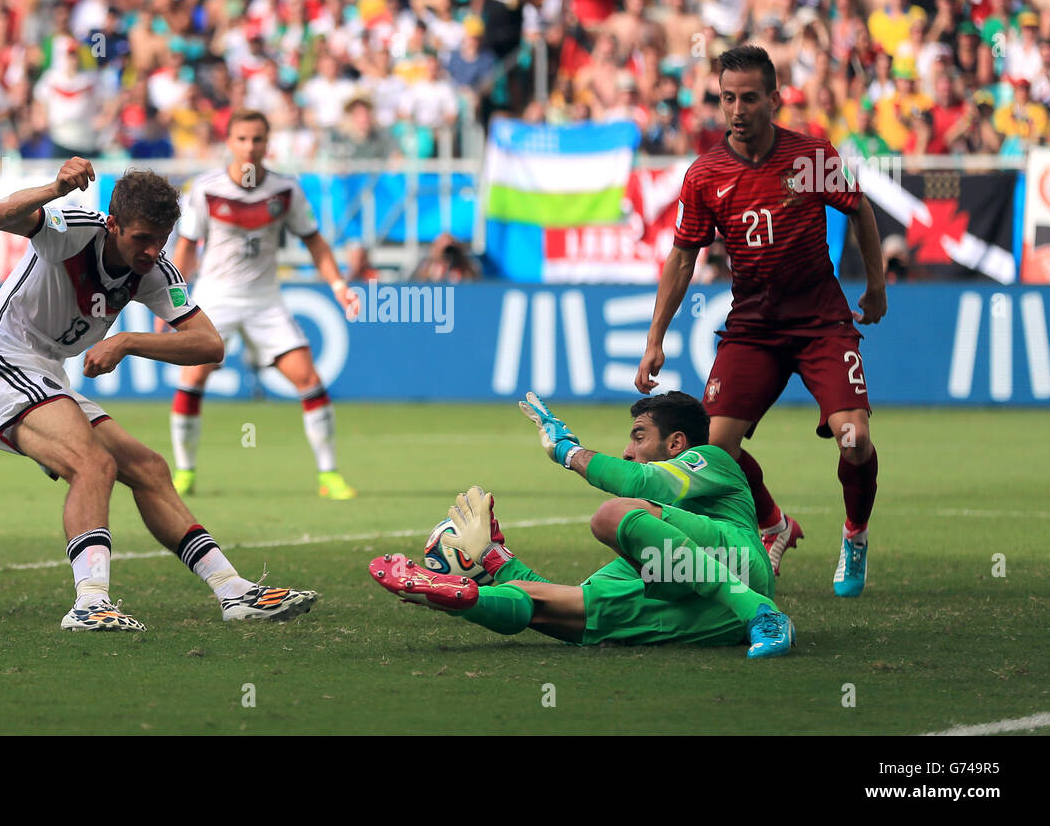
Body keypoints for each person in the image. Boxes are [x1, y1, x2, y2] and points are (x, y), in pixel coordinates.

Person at [0, 159, 318, 631]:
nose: (152, 251)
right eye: (141, 238)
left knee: (148, 469)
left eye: (161, 239)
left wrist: (129, 341)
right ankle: (89, 603)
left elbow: (210, 344)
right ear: (113, 225)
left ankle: (234, 591)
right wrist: (54, 188)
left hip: (44, 375)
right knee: (94, 464)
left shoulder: (155, 271)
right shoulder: (73, 229)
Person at [635, 45, 887, 598]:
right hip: (753, 325)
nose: (737, 109)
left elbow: (860, 207)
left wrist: (875, 283)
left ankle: (855, 534)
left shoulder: (811, 155)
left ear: (774, 99)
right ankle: (773, 524)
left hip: (821, 320)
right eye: (728, 98)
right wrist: (655, 339)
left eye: (750, 98)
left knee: (854, 438)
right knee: (711, 450)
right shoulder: (705, 175)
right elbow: (682, 257)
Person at [368, 392, 795, 659]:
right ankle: (448, 596)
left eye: (639, 436)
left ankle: (762, 613)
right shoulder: (645, 553)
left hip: (740, 566)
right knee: (555, 608)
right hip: (712, 617)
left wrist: (566, 451)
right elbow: (551, 597)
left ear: (677, 442)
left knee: (611, 515)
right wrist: (495, 560)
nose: (628, 451)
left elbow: (644, 482)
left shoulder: (714, 461)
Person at [168, 110, 360, 500]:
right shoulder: (205, 189)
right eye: (242, 139)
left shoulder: (286, 190)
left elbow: (315, 241)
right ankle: (184, 472)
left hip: (264, 301)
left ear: (268, 143)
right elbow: (185, 250)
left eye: (257, 139)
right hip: (214, 298)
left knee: (309, 380)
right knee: (193, 379)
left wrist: (339, 285)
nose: (250, 146)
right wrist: (174, 304)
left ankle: (329, 476)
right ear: (230, 142)